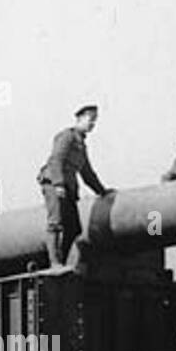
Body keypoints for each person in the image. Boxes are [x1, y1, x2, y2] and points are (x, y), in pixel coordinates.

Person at [37, 105, 110, 269]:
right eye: (90, 120)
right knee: (55, 223)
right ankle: (54, 262)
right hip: (54, 184)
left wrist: (102, 191)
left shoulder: (81, 144)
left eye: (95, 121)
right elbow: (57, 160)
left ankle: (61, 260)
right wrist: (58, 184)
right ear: (80, 119)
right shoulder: (67, 137)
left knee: (74, 228)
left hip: (68, 188)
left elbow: (87, 173)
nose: (92, 124)